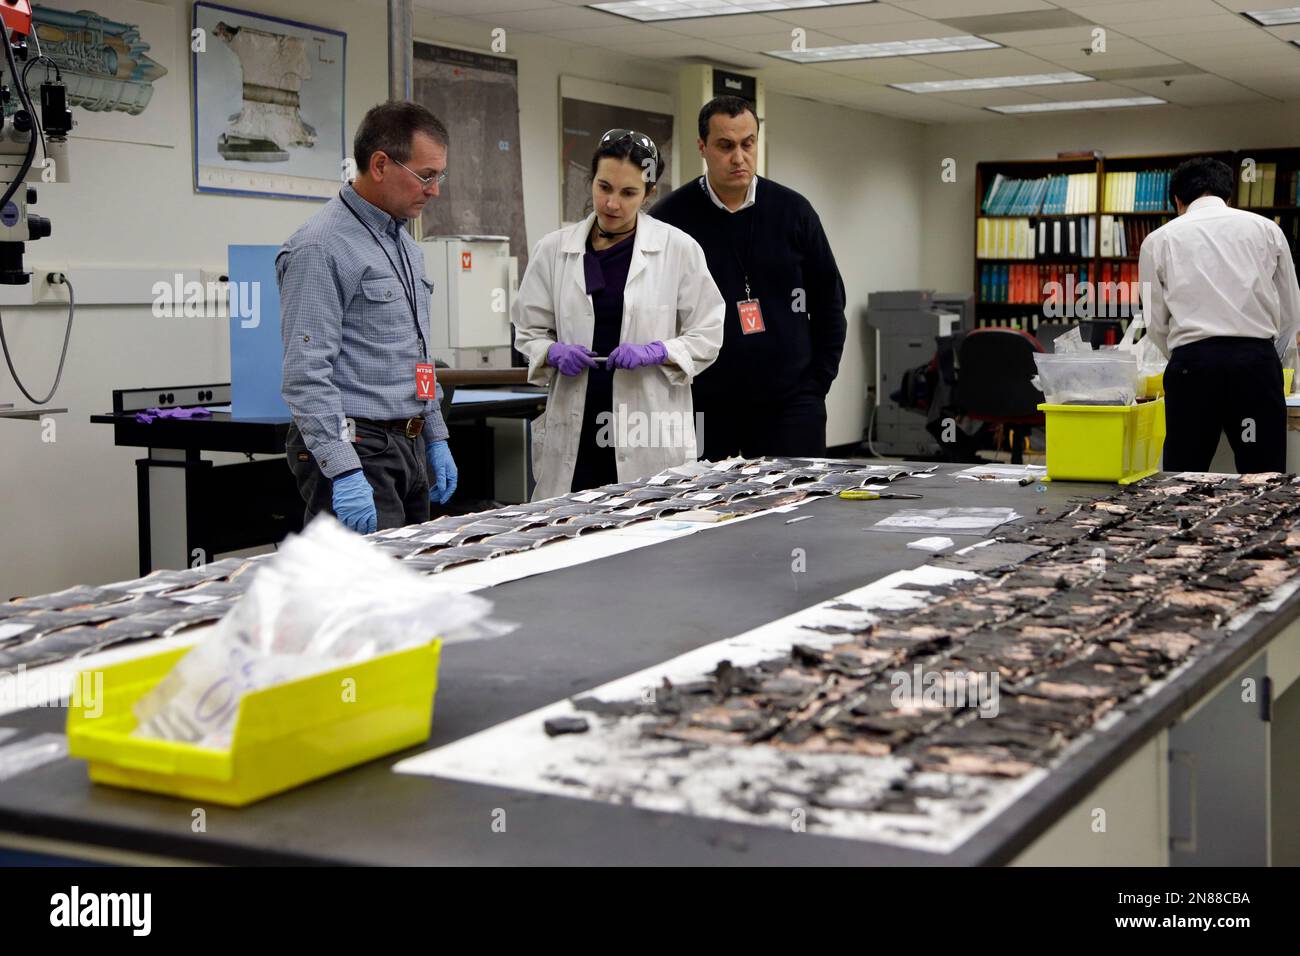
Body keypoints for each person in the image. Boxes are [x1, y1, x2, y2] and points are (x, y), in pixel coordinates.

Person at [512, 129, 724, 499]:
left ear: (649, 193)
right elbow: (527, 330)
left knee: (646, 532)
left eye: (628, 193)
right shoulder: (554, 250)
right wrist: (551, 352)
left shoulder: (678, 250)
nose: (611, 203)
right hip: (577, 425)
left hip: (647, 427)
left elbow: (708, 332)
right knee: (569, 532)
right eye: (603, 187)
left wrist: (660, 351)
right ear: (591, 180)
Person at [278, 101, 458, 534]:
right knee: (365, 595)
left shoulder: (405, 248)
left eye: (440, 176)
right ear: (380, 164)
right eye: (426, 175)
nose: (434, 190)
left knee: (410, 584)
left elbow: (417, 353)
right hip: (358, 449)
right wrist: (342, 470)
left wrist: (435, 433)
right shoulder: (320, 248)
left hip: (407, 446)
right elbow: (306, 373)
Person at [651, 95, 846, 460]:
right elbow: (654, 309)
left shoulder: (794, 211)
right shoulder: (670, 218)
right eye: (725, 146)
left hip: (791, 403)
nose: (739, 157)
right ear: (703, 148)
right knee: (708, 510)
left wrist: (817, 383)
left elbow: (830, 303)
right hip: (705, 402)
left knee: (798, 506)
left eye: (748, 143)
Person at [1139, 156, 1300, 473]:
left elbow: (1153, 320)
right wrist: (1265, 353)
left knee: (1185, 474)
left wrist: (1186, 355)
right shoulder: (1267, 230)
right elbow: (1291, 308)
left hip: (1193, 368)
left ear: (1177, 200)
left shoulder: (1158, 240)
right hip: (1255, 365)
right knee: (1261, 473)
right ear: (1229, 197)